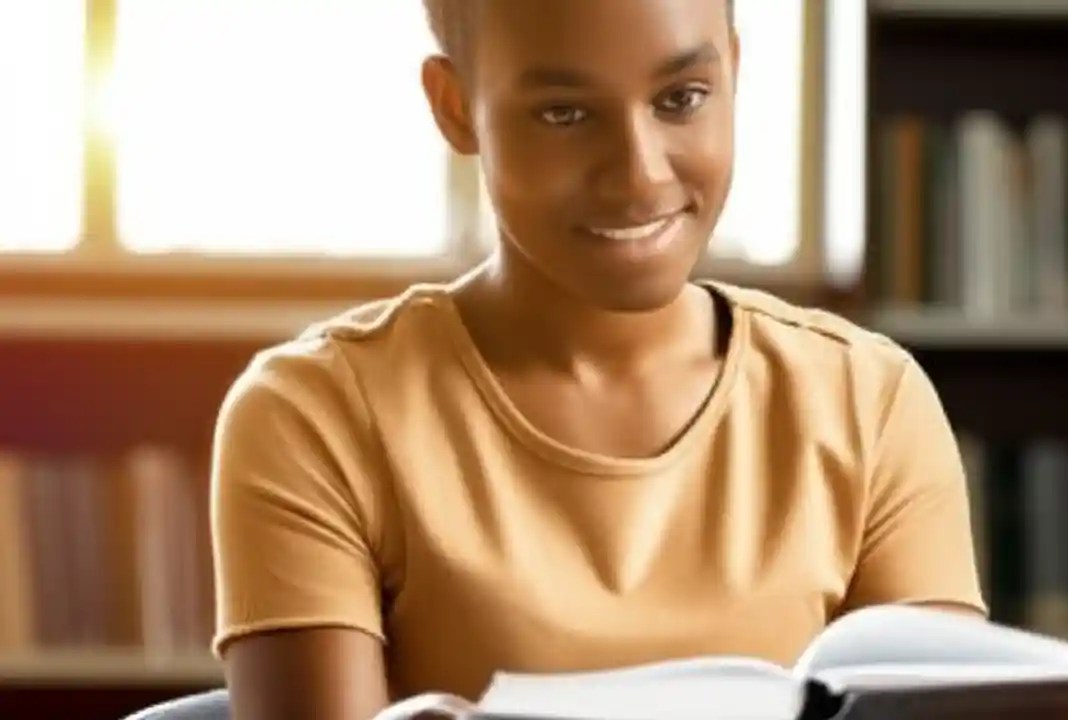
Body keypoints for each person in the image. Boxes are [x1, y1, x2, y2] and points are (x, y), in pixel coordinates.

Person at [210, 1, 987, 718]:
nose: (640, 172)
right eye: (564, 113)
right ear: (456, 107)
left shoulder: (870, 402)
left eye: (682, 98)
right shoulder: (316, 415)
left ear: (735, 73)